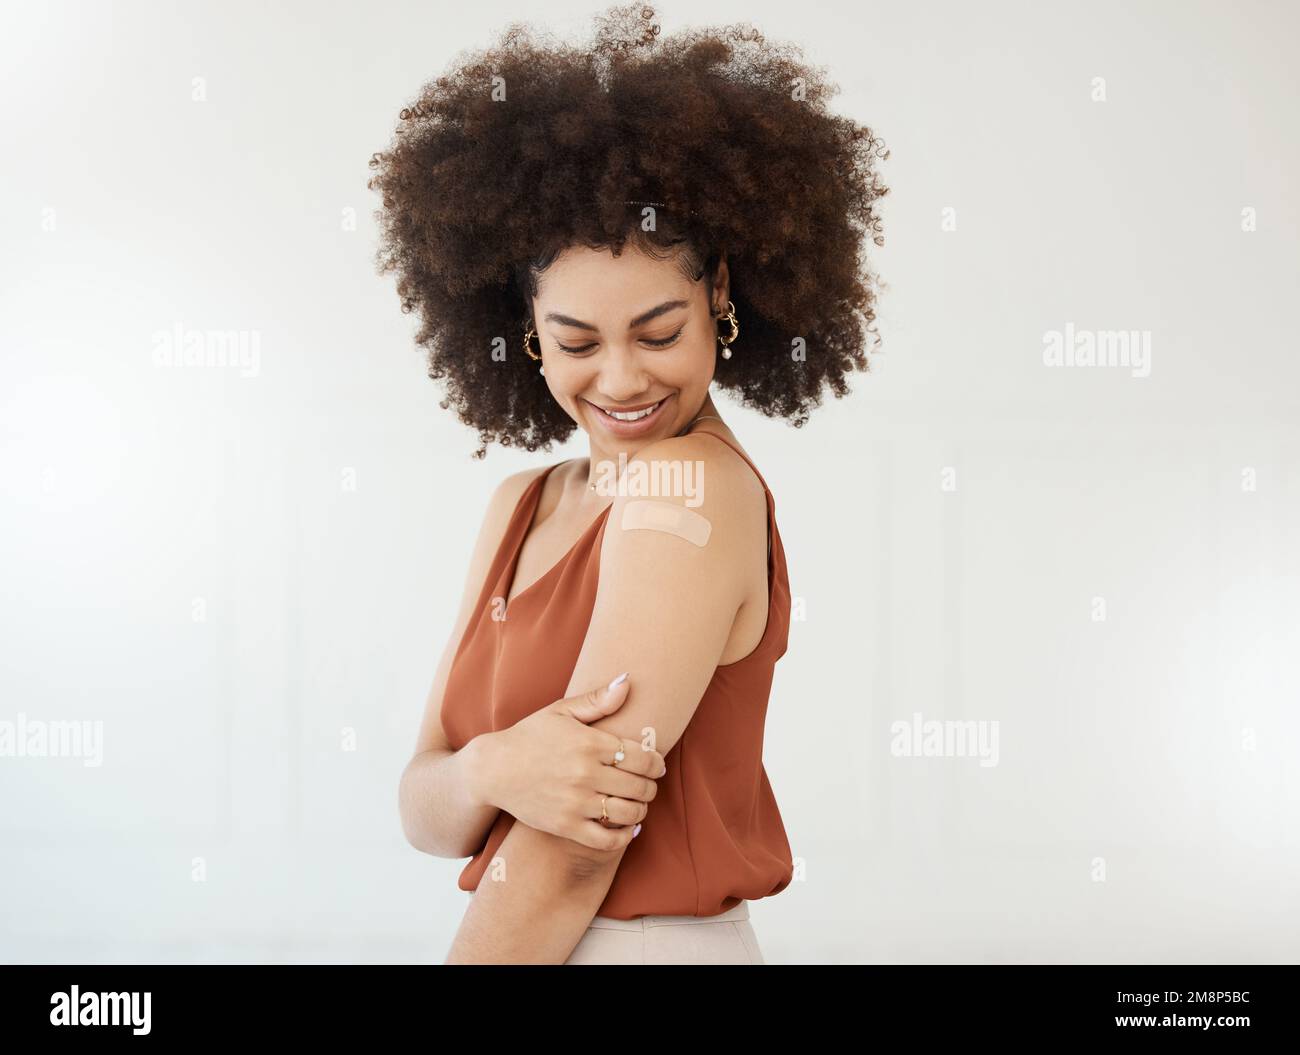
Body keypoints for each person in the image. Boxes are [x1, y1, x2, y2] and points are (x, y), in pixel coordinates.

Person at [369, 3, 888, 964]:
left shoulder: (690, 487)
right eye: (575, 342)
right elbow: (423, 804)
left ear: (720, 295)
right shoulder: (521, 503)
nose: (619, 381)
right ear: (524, 325)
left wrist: (484, 784)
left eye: (658, 334)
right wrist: (497, 763)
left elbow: (572, 855)